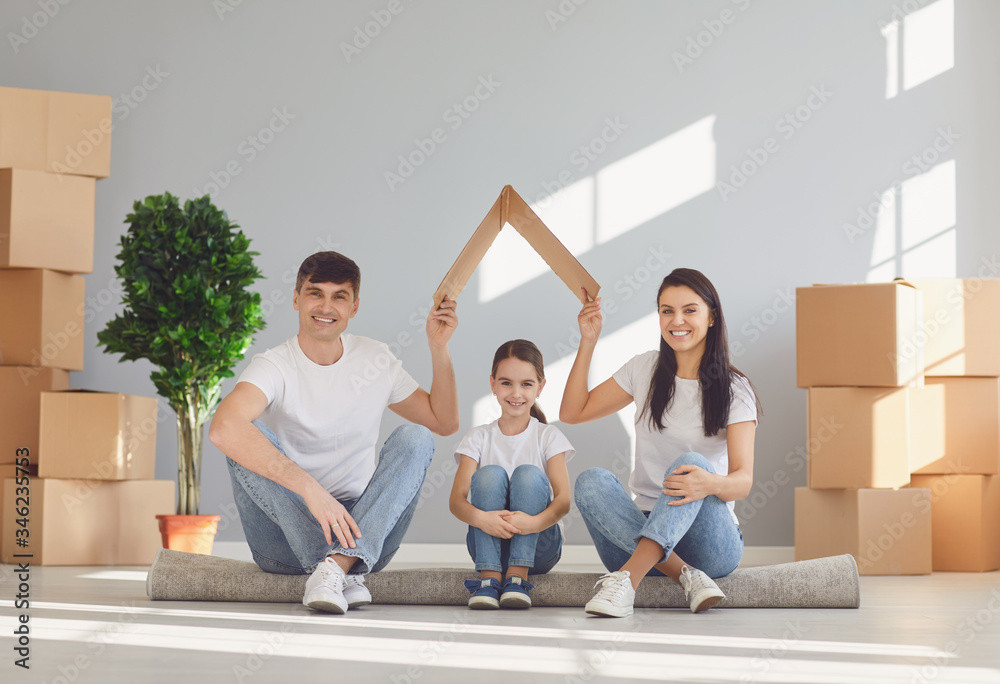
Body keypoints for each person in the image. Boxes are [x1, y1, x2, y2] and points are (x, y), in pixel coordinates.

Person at [209, 251, 460, 614]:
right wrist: (312, 491)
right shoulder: (274, 364)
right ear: (296, 299)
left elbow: (444, 422)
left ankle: (337, 567)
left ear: (354, 306)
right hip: (286, 541)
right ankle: (346, 571)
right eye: (315, 293)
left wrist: (440, 348)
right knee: (249, 434)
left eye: (339, 296)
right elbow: (223, 428)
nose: (326, 306)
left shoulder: (375, 358)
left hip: (362, 528)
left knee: (416, 438)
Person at [560, 268, 759, 617]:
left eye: (689, 310)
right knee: (591, 481)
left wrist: (707, 482)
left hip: (710, 543)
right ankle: (686, 576)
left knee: (692, 462)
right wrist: (588, 340)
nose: (676, 320)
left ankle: (626, 581)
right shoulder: (645, 370)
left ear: (712, 317)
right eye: (667, 310)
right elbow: (573, 412)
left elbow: (742, 482)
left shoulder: (734, 389)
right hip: (633, 534)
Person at [449, 339, 574, 609]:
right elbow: (457, 502)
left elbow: (563, 500)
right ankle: (489, 580)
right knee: (489, 475)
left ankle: (518, 577)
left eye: (526, 384)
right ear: (493, 384)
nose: (516, 393)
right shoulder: (478, 437)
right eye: (506, 383)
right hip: (487, 544)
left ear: (540, 387)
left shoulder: (548, 436)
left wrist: (534, 523)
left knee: (527, 474)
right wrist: (483, 519)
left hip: (540, 544)